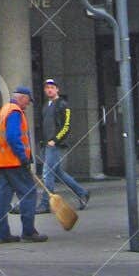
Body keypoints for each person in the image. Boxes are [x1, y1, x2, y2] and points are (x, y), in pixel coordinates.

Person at [0, 86, 47, 246]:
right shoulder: (15, 112)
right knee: (29, 193)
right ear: (22, 97)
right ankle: (29, 232)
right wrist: (24, 158)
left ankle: (2, 234)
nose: (27, 105)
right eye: (27, 101)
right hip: (14, 162)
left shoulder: (4, 110)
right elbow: (13, 137)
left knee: (3, 198)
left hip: (2, 162)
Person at [40, 77, 90, 211]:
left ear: (57, 89)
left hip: (54, 144)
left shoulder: (63, 104)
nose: (49, 90)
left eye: (52, 87)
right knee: (58, 173)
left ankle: (45, 203)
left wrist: (55, 140)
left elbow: (66, 126)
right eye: (47, 88)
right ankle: (82, 193)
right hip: (47, 144)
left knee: (47, 173)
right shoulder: (46, 106)